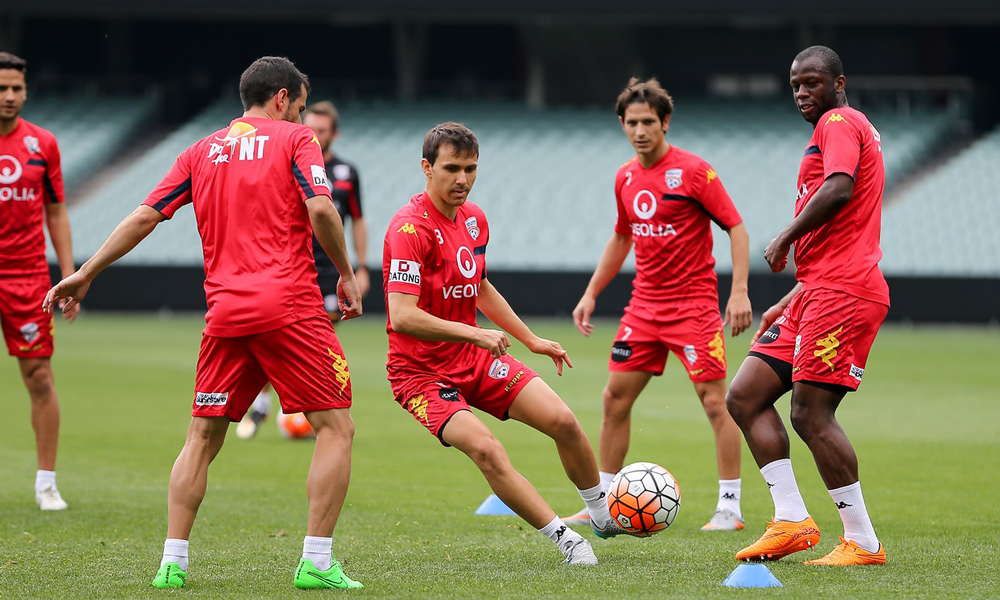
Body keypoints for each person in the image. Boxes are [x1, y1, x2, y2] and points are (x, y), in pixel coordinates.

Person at [44, 56, 365, 588]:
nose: (302, 118)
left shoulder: (201, 150)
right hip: (289, 307)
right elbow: (323, 210)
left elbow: (146, 214)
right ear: (282, 99)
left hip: (225, 313)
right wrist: (348, 274)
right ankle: (317, 561)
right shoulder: (295, 141)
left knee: (201, 437)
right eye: (301, 108)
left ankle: (172, 562)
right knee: (337, 428)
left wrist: (85, 272)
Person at [383, 122, 627, 566]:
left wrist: (530, 340)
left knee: (564, 421)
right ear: (426, 167)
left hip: (472, 358)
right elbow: (402, 316)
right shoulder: (408, 229)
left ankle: (599, 514)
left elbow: (479, 286)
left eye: (470, 168)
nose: (462, 179)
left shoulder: (474, 219)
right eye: (451, 168)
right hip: (419, 375)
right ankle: (566, 540)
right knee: (487, 449)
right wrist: (476, 333)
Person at [563, 78, 752, 531]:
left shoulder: (694, 172)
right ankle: (603, 508)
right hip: (644, 308)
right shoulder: (625, 176)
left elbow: (736, 228)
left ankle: (730, 508)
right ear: (623, 125)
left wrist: (740, 291)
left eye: (649, 121)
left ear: (665, 122)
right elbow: (622, 236)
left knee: (714, 402)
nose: (640, 130)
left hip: (694, 308)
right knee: (614, 399)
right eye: (632, 122)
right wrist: (591, 293)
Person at [725, 45, 889, 566]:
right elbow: (840, 234)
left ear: (839, 84)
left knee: (810, 413)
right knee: (746, 396)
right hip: (817, 289)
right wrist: (786, 300)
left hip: (843, 292)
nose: (802, 93)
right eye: (795, 84)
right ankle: (792, 519)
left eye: (812, 82)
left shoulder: (839, 121)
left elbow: (839, 189)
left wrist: (783, 237)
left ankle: (862, 541)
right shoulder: (839, 125)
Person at [237, 100, 369, 439]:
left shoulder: (346, 173)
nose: (314, 134)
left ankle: (290, 407)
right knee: (280, 335)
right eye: (311, 127)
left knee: (315, 335)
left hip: (329, 270)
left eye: (322, 130)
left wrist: (361, 266)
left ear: (334, 134)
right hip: (288, 266)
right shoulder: (286, 161)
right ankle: (275, 405)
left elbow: (357, 220)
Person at [0, 52, 77, 511]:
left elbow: (56, 210)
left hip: (27, 276)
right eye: (1, 89)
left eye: (15, 89)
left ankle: (46, 483)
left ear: (26, 91)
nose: (9, 97)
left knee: (41, 378)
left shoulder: (42, 144)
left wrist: (69, 276)